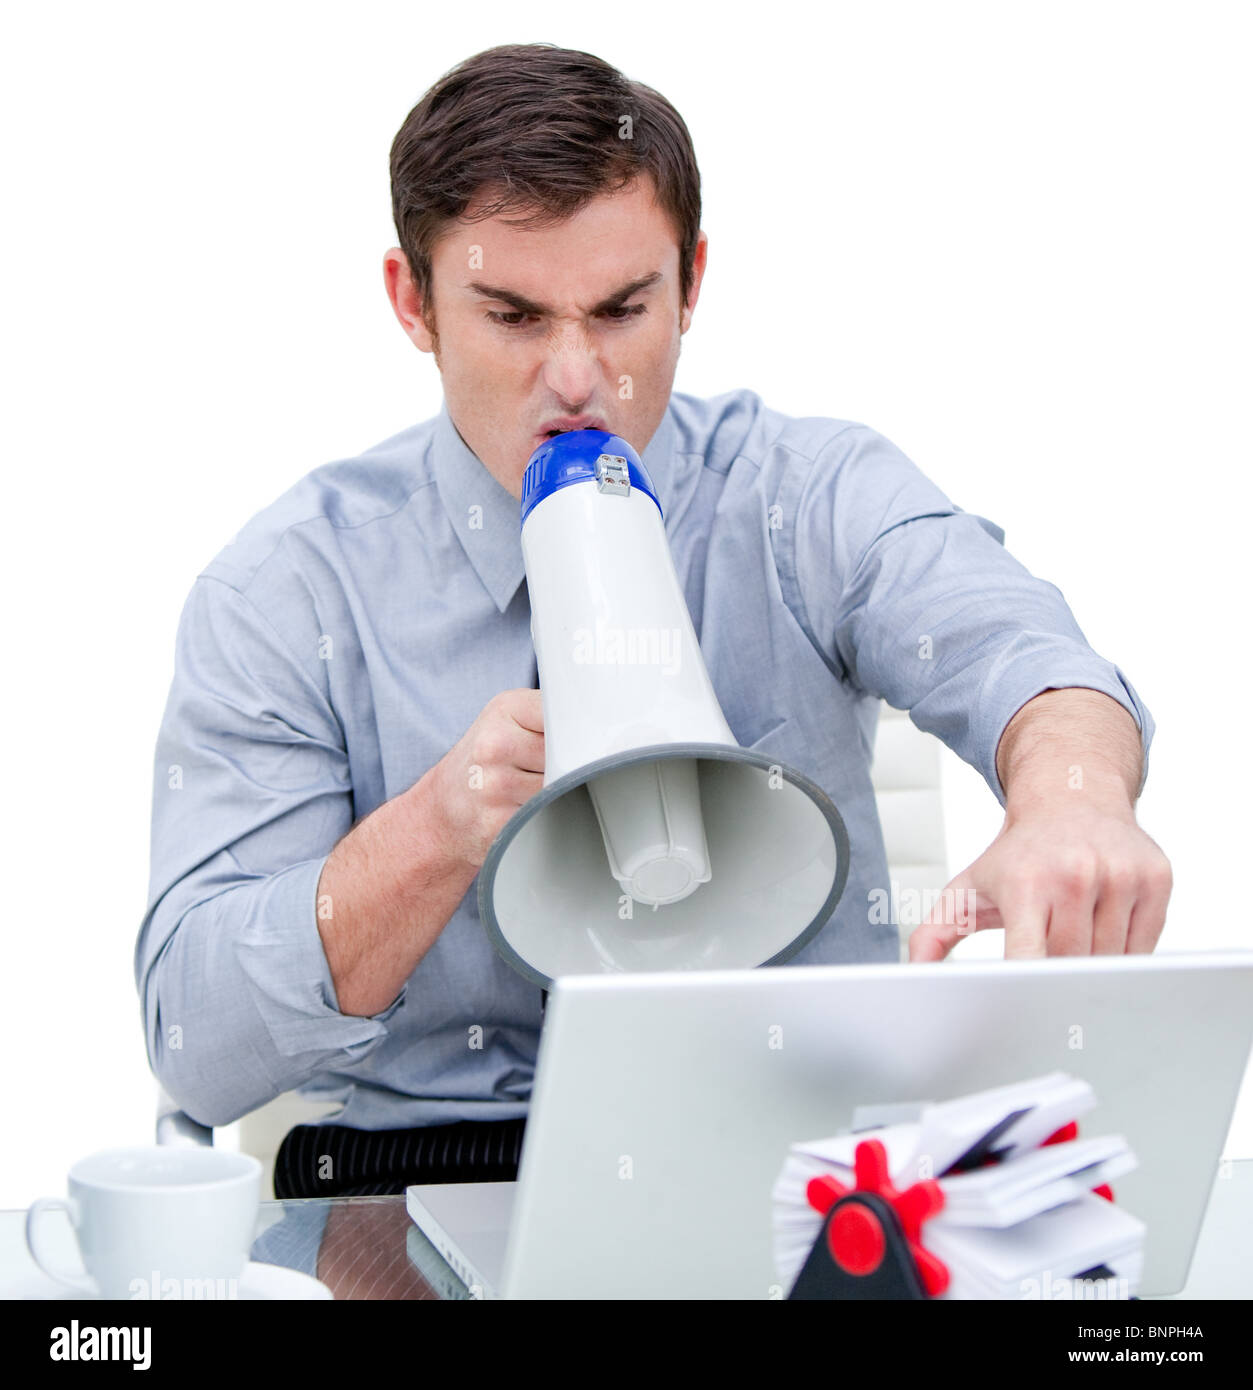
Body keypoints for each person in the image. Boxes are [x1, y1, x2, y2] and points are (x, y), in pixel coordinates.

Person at [134, 42, 1172, 1198]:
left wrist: (1070, 803)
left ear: (692, 280)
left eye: (624, 308)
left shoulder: (800, 495)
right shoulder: (287, 588)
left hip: (788, 1185)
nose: (578, 379)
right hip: (415, 1187)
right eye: (513, 315)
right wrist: (428, 833)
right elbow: (196, 1043)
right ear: (412, 302)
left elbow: (1023, 652)